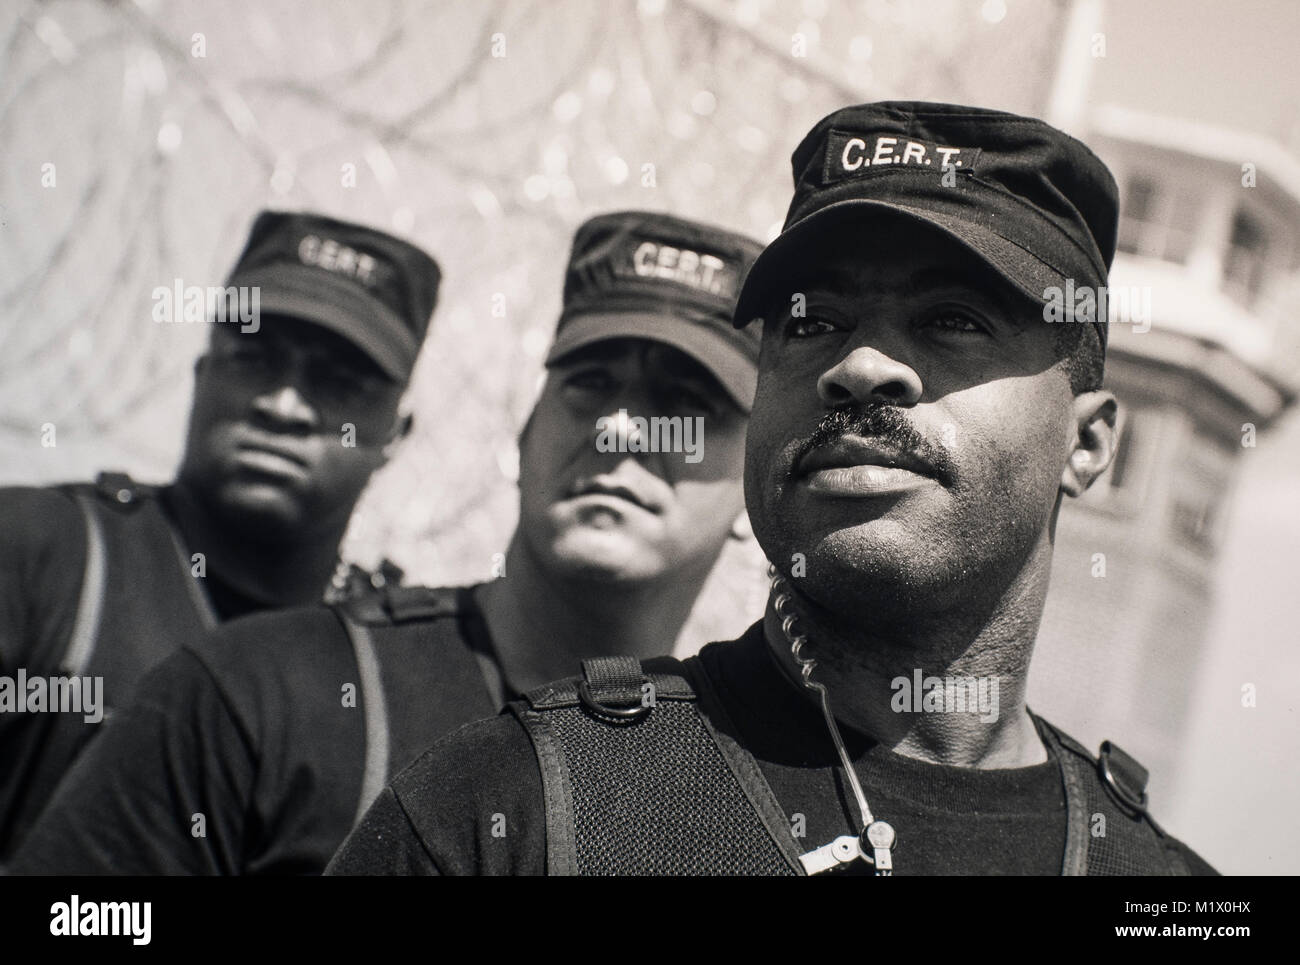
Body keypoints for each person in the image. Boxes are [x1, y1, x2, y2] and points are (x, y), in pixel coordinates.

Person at [325, 102, 1218, 876]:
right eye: (815, 322)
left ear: (1089, 441)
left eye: (953, 319)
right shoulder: (510, 812)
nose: (860, 366)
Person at [8, 211, 764, 875]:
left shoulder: (739, 796)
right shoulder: (262, 691)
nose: (621, 427)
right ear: (528, 431)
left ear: (758, 475)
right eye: (589, 382)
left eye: (686, 402)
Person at [0, 210, 438, 859]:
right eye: (256, 358)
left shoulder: (396, 672)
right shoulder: (45, 554)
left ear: (395, 436)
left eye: (338, 381)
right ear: (203, 371)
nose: (283, 404)